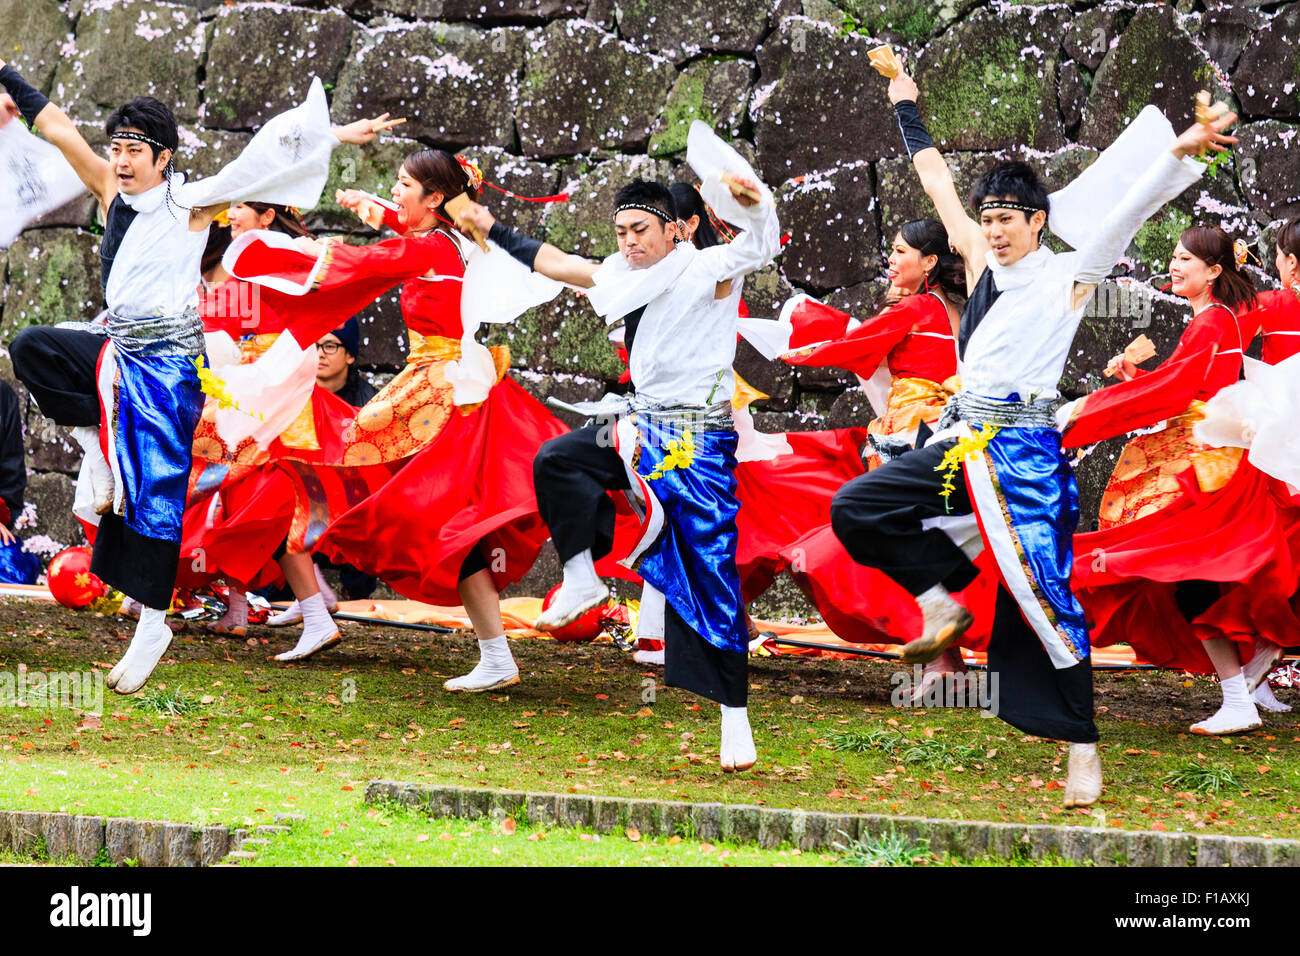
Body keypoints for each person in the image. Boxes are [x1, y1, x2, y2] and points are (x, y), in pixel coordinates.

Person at [828, 65, 1235, 806]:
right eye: (986, 221)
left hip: (1023, 457)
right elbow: (933, 179)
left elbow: (1136, 205)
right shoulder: (980, 259)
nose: (991, 231)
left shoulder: (1072, 274)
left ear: (1036, 222)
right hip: (957, 443)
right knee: (855, 510)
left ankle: (1082, 747)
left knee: (1048, 601)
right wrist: (905, 102)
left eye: (1006, 220)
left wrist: (1190, 147)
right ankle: (943, 596)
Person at [0, 58, 385, 693]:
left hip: (171, 368)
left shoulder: (191, 205)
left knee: (156, 493)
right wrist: (8, 72)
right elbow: (58, 125)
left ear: (165, 157)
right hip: (116, 350)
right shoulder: (107, 190)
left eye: (135, 151)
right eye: (117, 148)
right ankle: (99, 436)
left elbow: (261, 164)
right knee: (33, 345)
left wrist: (335, 134)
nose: (121, 160)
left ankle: (153, 621)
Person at [460, 124, 781, 771]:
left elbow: (762, 243)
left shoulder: (711, 269)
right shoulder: (617, 274)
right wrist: (489, 228)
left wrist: (751, 203)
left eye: (642, 230)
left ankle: (734, 719)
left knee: (709, 575)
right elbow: (553, 262)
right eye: (622, 231)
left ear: (674, 231)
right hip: (640, 429)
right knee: (559, 458)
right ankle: (580, 580)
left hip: (698, 442)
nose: (630, 241)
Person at [220, 148, 567, 691]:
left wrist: (306, 251)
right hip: (453, 385)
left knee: (353, 463)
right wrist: (376, 209)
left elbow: (369, 264)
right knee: (451, 523)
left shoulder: (429, 249)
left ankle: (319, 547)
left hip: (438, 392)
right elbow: (410, 233)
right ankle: (494, 653)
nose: (396, 191)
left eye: (404, 185)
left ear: (434, 198)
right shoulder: (458, 239)